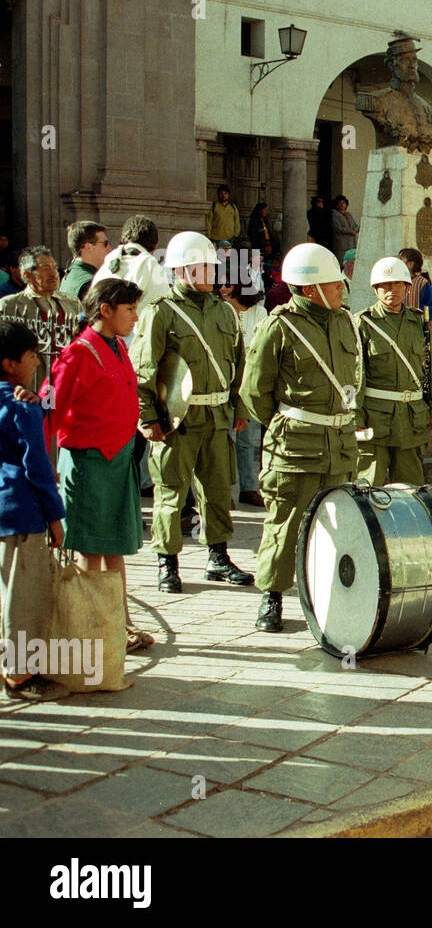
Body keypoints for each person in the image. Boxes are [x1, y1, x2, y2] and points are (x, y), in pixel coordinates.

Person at [241, 243, 360, 632]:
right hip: (296, 447)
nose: (343, 288)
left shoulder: (344, 321)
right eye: (334, 283)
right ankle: (272, 596)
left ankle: (328, 595)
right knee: (286, 522)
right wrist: (291, 424)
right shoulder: (279, 326)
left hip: (339, 446)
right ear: (310, 288)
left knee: (340, 526)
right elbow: (255, 392)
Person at [131, 231, 254, 593]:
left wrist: (240, 406)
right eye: (204, 267)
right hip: (176, 420)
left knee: (217, 491)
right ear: (182, 271)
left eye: (213, 267)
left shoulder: (224, 312)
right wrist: (148, 417)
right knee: (170, 492)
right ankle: (167, 563)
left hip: (216, 417)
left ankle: (218, 557)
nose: (213, 274)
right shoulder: (161, 312)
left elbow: (239, 365)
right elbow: (144, 370)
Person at [51, 277, 156, 654]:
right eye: (128, 309)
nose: (134, 316)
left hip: (118, 460)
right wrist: (50, 469)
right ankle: (92, 628)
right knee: (90, 550)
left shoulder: (118, 347)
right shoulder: (77, 353)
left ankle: (119, 622)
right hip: (89, 463)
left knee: (114, 547)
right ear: (105, 310)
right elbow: (53, 410)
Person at [0, 321, 69, 701]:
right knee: (24, 598)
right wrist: (55, 517)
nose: (35, 363)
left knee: (7, 591)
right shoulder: (20, 407)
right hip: (21, 512)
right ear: (11, 364)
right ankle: (19, 674)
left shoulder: (20, 403)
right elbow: (38, 469)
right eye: (30, 357)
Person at [354, 256, 432, 487]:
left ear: (407, 287)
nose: (390, 290)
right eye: (384, 285)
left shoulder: (419, 323)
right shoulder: (362, 324)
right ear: (375, 289)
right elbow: (356, 376)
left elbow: (431, 367)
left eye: (397, 284)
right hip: (375, 420)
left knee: (410, 490)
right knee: (367, 487)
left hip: (412, 419)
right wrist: (356, 417)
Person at [0, 246, 83, 397]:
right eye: (45, 268)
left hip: (65, 387)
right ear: (27, 275)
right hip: (27, 391)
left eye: (55, 267)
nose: (54, 273)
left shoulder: (72, 304)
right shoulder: (9, 306)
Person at [220, 275, 268, 508]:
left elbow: (256, 345)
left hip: (249, 382)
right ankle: (224, 491)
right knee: (225, 439)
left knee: (248, 440)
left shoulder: (259, 313)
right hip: (226, 381)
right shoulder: (220, 312)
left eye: (227, 284)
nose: (222, 288)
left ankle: (249, 487)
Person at [91, 215, 171, 307]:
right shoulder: (151, 267)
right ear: (155, 246)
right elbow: (161, 310)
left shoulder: (105, 267)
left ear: (123, 240)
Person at [58, 221, 110, 301]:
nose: (110, 249)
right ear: (89, 247)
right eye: (105, 243)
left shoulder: (69, 275)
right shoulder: (89, 283)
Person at [398, 248, 432, 328]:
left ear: (410, 264)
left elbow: (428, 306)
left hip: (418, 327)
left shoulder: (422, 283)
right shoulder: (397, 281)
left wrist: (421, 320)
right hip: (400, 325)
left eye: (401, 259)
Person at [330, 196, 359, 264]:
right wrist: (350, 231)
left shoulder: (348, 215)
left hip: (351, 242)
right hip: (342, 243)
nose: (342, 204)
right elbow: (338, 228)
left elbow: (355, 225)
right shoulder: (334, 215)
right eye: (340, 203)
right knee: (342, 261)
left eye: (343, 203)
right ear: (337, 205)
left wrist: (355, 230)